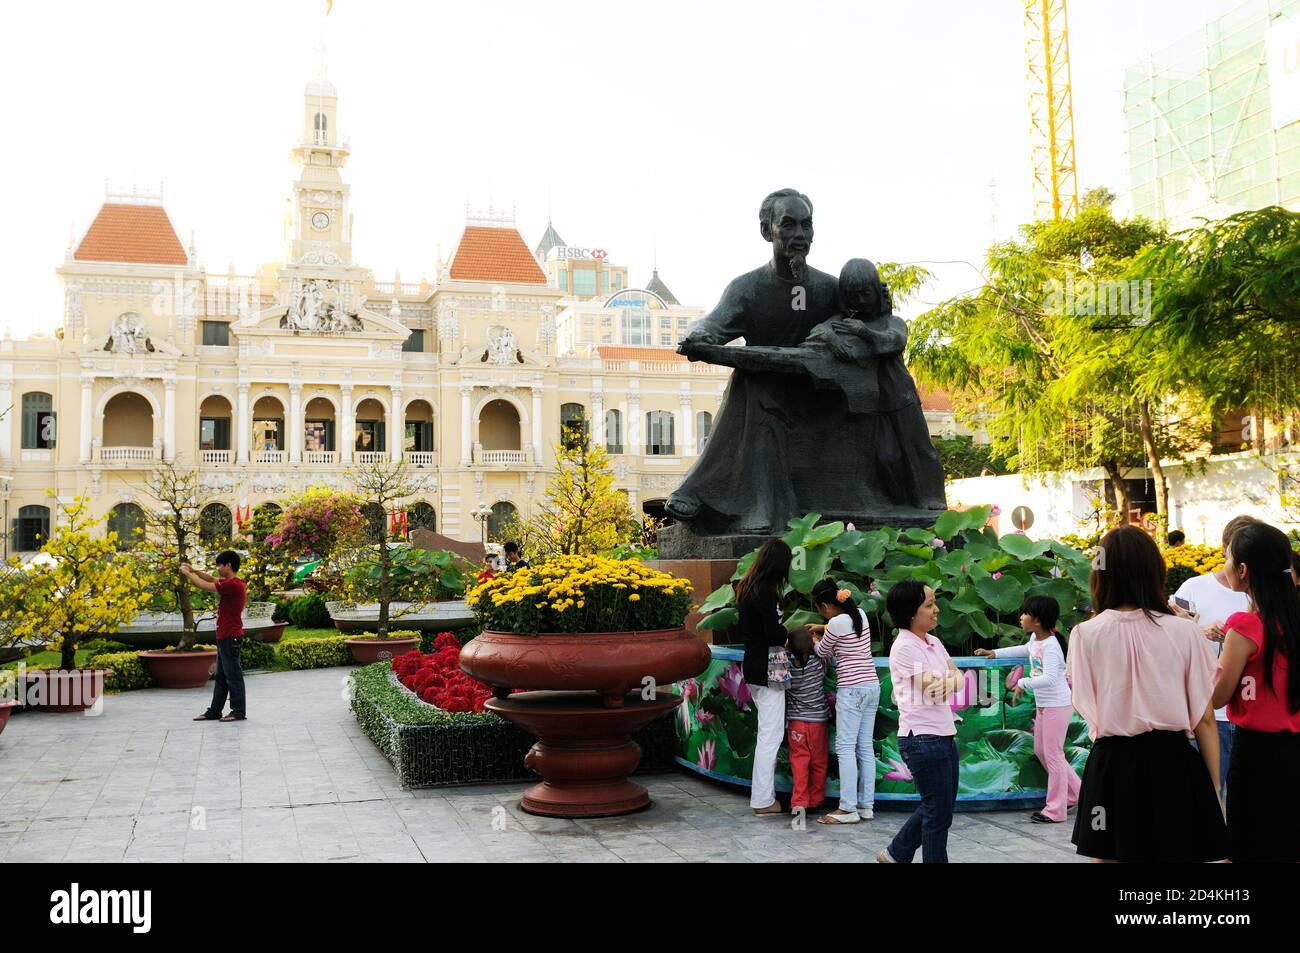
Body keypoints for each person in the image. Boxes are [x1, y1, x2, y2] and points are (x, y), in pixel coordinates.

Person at [669, 189, 838, 534]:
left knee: (756, 384)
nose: (800, 235)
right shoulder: (747, 288)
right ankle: (751, 505)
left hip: (819, 397)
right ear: (767, 231)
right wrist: (699, 336)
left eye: (806, 226)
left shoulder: (829, 289)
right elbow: (714, 324)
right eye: (789, 225)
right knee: (754, 381)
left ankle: (717, 496)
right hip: (765, 393)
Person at [1067, 525, 1226, 862]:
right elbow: (1205, 719)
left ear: (1100, 574)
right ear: (1155, 569)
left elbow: (1086, 705)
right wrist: (1213, 789)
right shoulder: (1185, 632)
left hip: (1110, 765)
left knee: (1107, 855)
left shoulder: (1084, 635)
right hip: (1173, 764)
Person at [1211, 522, 1300, 862]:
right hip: (1294, 748)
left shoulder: (1245, 626)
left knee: (1248, 846)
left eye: (1228, 558)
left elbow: (1218, 697)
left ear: (1244, 570)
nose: (1225, 566)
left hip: (1255, 756)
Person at [1169, 514, 1258, 799]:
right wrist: (1197, 629)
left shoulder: (1261, 594)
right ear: (1225, 549)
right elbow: (1168, 643)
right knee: (1206, 798)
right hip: (1209, 712)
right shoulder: (1194, 587)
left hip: (1250, 716)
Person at [877, 580, 961, 863]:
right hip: (921, 738)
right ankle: (898, 853)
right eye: (929, 605)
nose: (936, 610)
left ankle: (896, 853)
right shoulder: (904, 647)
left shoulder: (933, 642)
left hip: (943, 733)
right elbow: (933, 688)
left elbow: (959, 679)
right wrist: (949, 680)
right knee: (937, 816)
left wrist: (949, 680)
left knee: (939, 807)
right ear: (911, 612)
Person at [976, 595, 1079, 823]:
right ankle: (1076, 793)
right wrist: (995, 653)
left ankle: (1055, 810)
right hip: (1044, 706)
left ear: (1038, 620)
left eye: (1025, 614)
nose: (1020, 617)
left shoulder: (1052, 646)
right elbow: (1025, 650)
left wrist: (1021, 683)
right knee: (1043, 752)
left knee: (1053, 755)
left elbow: (1051, 678)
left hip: (1057, 706)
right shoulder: (1036, 639)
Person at [807, 578, 880, 824]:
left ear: (826, 606)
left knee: (845, 747)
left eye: (820, 609)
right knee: (865, 747)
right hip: (871, 686)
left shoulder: (836, 623)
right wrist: (821, 626)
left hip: (852, 690)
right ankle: (866, 806)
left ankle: (847, 809)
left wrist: (816, 637)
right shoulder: (860, 614)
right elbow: (841, 629)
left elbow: (821, 652)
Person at [736, 537, 794, 816]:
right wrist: (788, 634)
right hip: (771, 667)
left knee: (767, 732)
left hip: (753, 666)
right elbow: (773, 632)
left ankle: (762, 798)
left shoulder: (747, 587)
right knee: (771, 736)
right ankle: (762, 800)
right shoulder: (766, 591)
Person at [185, 551, 248, 723]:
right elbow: (211, 579)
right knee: (221, 676)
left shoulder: (234, 585)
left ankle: (238, 711)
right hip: (225, 636)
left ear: (228, 565)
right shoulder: (232, 582)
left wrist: (187, 574)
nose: (217, 568)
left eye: (220, 565)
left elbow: (205, 586)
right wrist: (194, 570)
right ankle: (214, 711)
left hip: (230, 636)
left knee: (233, 675)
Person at [783, 626, 829, 817]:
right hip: (818, 721)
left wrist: (788, 647)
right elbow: (825, 653)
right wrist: (817, 639)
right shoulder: (819, 664)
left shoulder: (787, 666)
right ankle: (816, 800)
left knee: (799, 761)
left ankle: (799, 802)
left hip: (796, 723)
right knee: (818, 762)